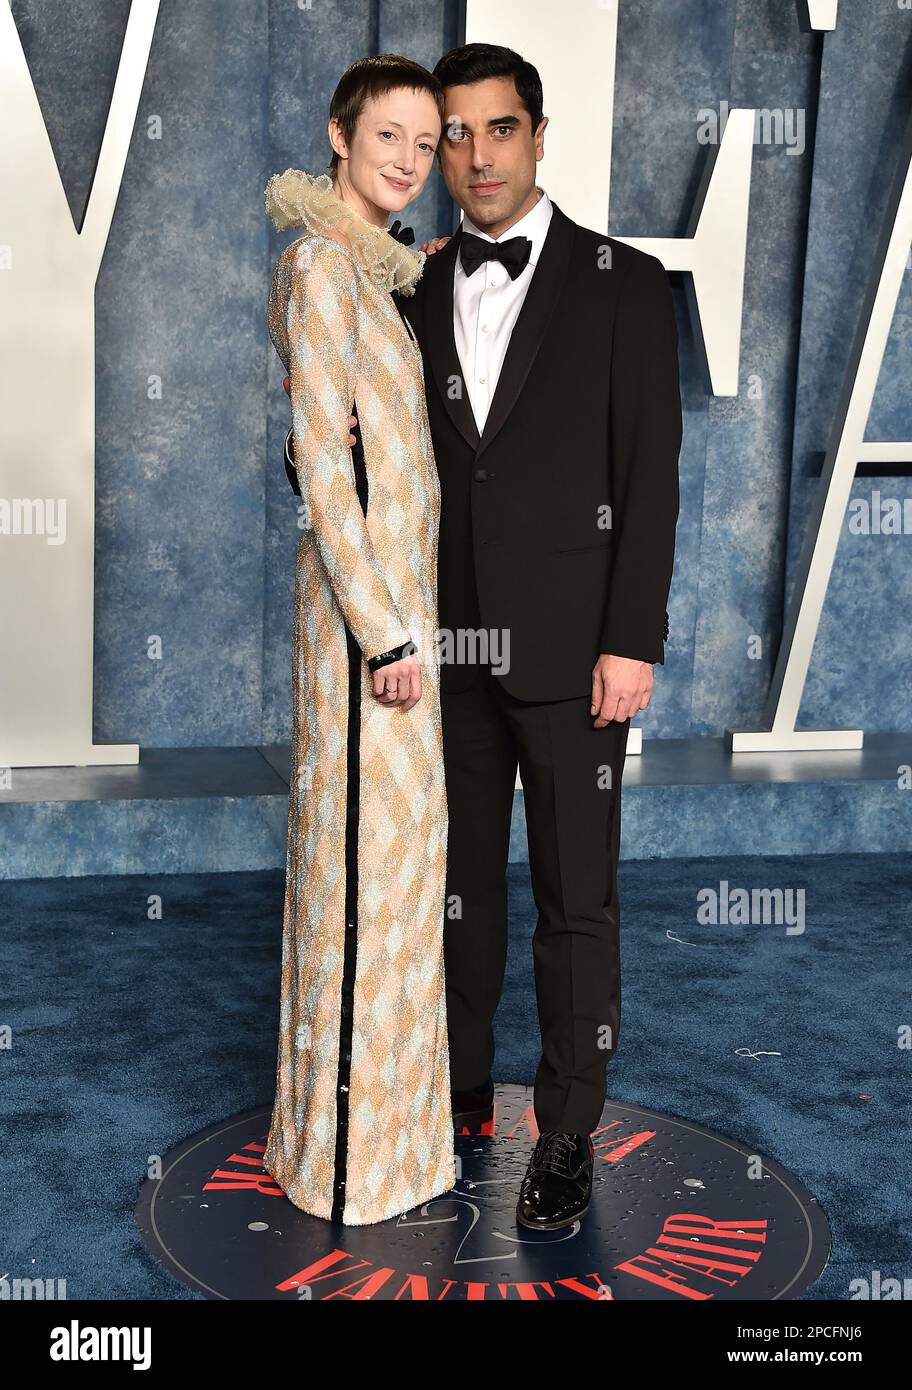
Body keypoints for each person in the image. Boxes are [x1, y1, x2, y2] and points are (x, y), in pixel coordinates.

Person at [284, 42, 683, 1232]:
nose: (470, 155)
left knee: (574, 898)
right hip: (438, 654)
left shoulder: (624, 283)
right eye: (448, 134)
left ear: (540, 135)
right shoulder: (405, 276)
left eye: (494, 129)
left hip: (576, 659)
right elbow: (347, 434)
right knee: (447, 893)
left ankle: (564, 1133)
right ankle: (449, 1099)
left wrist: (632, 639)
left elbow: (648, 481)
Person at [262, 55, 454, 1225]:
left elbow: (358, 440)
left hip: (402, 617)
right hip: (364, 630)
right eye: (388, 133)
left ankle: (389, 1147)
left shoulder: (370, 275)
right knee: (363, 880)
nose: (407, 157)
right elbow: (328, 473)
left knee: (398, 878)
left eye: (424, 143)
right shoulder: (320, 266)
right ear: (339, 134)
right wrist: (382, 634)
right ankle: (345, 1163)